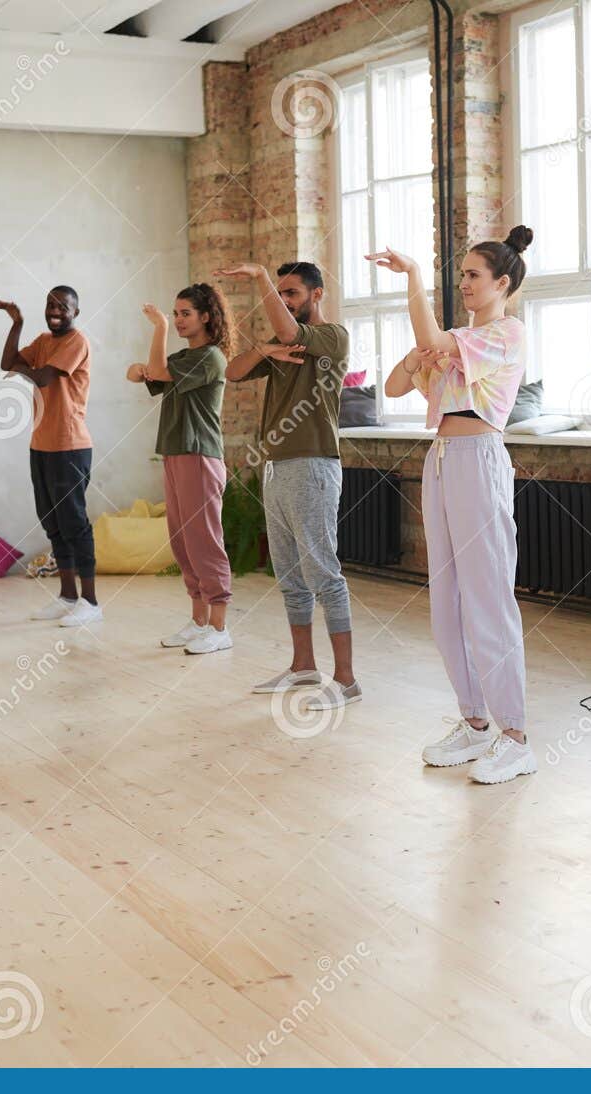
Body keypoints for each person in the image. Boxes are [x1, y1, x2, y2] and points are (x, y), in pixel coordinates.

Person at [373, 227, 537, 785]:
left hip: (479, 457)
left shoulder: (506, 333)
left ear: (503, 283)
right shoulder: (455, 339)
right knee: (446, 599)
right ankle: (474, 722)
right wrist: (423, 349)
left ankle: (515, 736)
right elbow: (396, 385)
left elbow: (432, 343)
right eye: (460, 274)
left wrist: (416, 278)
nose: (464, 283)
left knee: (488, 595)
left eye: (473, 275)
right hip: (441, 459)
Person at [219, 260, 359, 709]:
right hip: (276, 468)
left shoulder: (331, 338)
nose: (283, 301)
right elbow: (233, 372)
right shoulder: (282, 348)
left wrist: (260, 278)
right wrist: (264, 349)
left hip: (313, 466)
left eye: (290, 293)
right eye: (279, 293)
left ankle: (346, 681)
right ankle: (303, 667)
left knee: (323, 573)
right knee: (290, 576)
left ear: (316, 295)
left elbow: (292, 335)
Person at [128, 285, 235, 654]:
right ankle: (198, 621)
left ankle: (219, 628)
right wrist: (143, 369)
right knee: (182, 542)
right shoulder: (184, 358)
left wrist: (156, 328)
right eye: (173, 314)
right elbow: (141, 374)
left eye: (184, 313)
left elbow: (154, 370)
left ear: (206, 316)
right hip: (176, 453)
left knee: (204, 540)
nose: (177, 320)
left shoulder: (210, 358)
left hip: (200, 456)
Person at [0, 287, 99, 627]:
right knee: (52, 523)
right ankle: (68, 596)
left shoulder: (76, 341)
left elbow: (41, 377)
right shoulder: (42, 340)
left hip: (70, 445)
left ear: (76, 311)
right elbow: (6, 364)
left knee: (75, 523)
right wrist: (17, 324)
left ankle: (90, 602)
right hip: (41, 444)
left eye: (63, 306)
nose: (55, 311)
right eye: (50, 305)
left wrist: (23, 369)